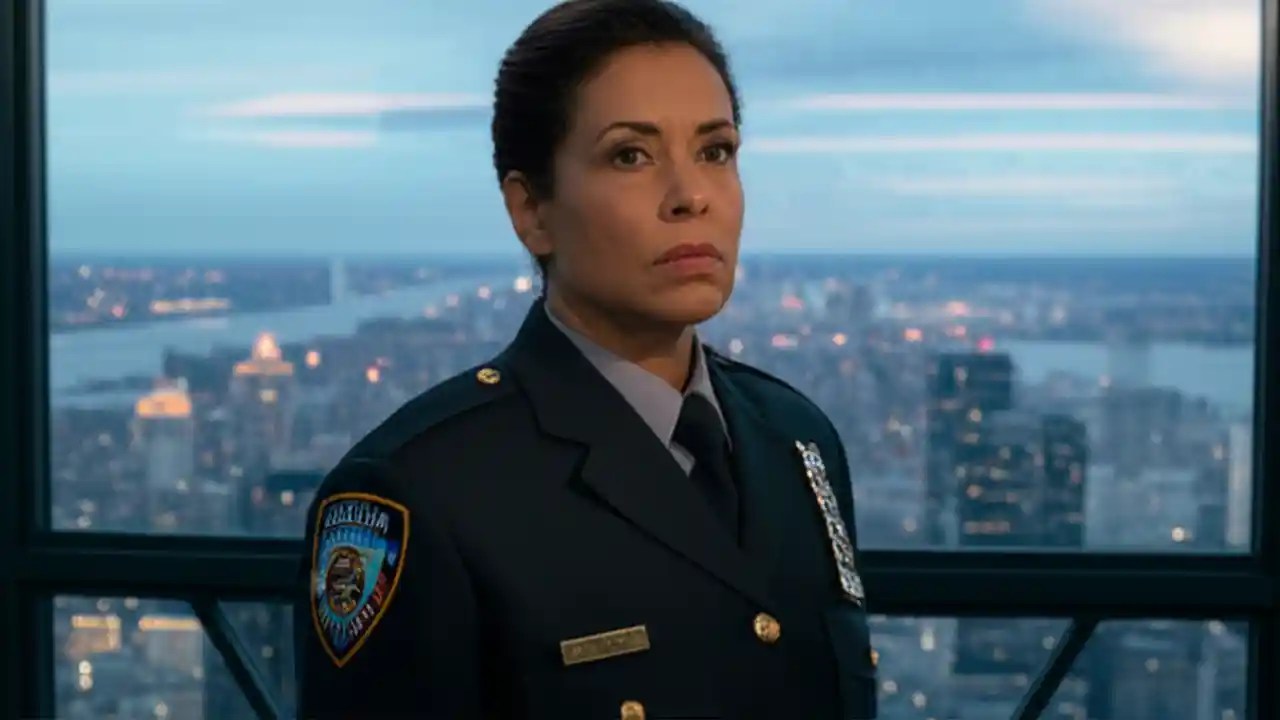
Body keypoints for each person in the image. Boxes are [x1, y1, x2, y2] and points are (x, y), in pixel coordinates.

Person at [294, 1, 877, 717]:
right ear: (531, 210)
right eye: (630, 155)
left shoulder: (797, 440)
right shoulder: (421, 490)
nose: (691, 196)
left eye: (716, 151)